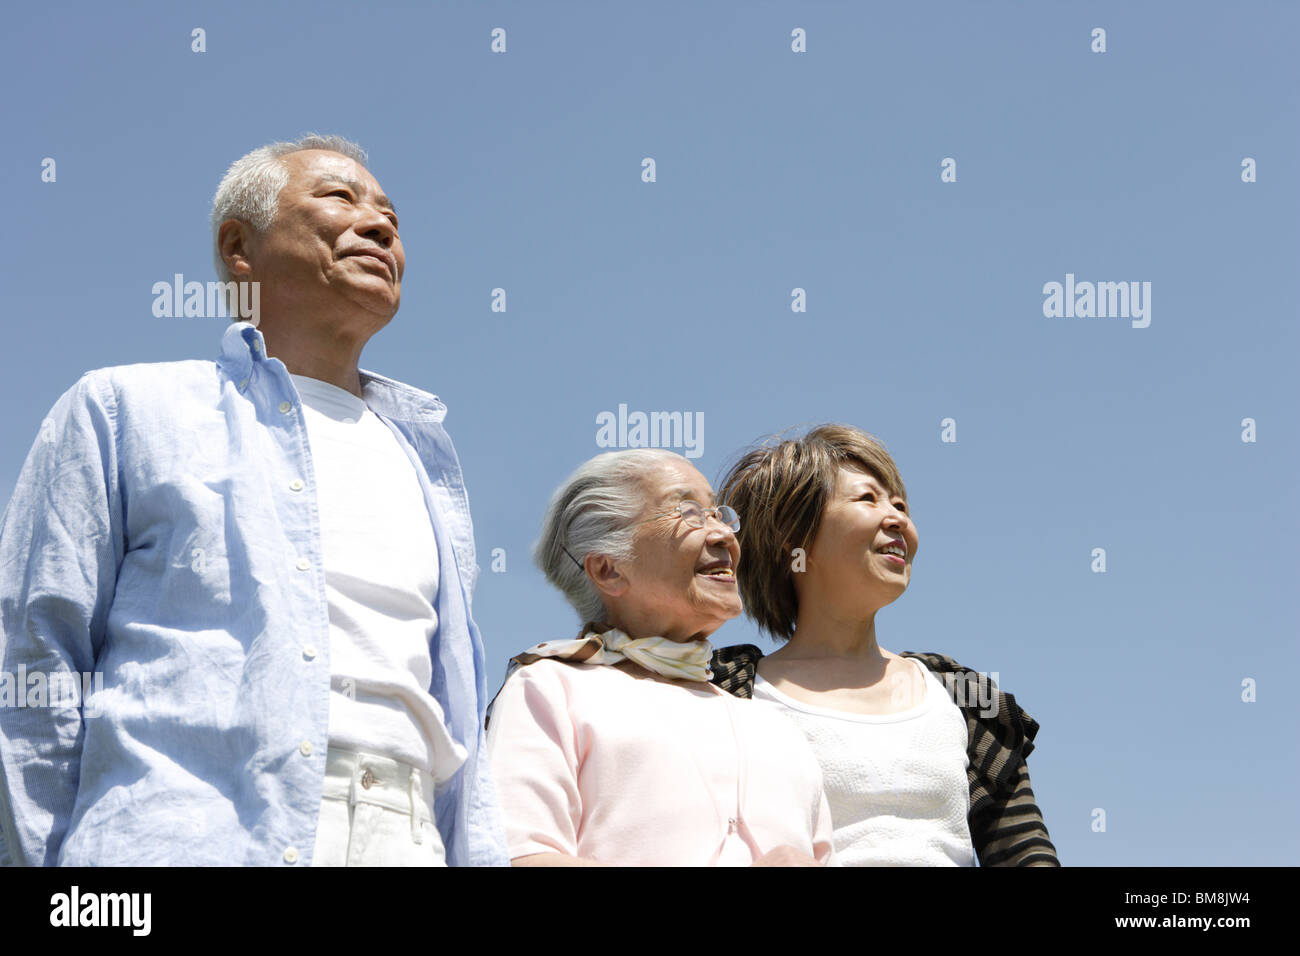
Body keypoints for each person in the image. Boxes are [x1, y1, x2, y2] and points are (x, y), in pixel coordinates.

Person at [0, 134, 507, 866]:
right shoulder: (123, 410)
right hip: (185, 837)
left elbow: (457, 713)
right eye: (341, 198)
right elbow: (36, 663)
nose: (381, 225)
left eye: (391, 214)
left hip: (407, 834)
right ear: (240, 247)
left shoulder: (426, 463)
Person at [710, 424, 1059, 866]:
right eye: (868, 499)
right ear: (792, 537)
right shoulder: (724, 695)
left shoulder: (964, 697)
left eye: (900, 504)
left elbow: (1026, 856)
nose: (899, 519)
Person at [487, 449, 834, 866]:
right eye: (689, 512)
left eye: (720, 515)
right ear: (608, 570)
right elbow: (520, 856)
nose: (725, 535)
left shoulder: (776, 729)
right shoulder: (550, 691)